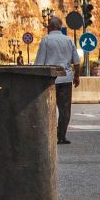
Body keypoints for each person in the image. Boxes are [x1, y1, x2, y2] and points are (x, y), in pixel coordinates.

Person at [34, 15, 81, 144]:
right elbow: (76, 62)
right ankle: (61, 136)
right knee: (65, 110)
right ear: (60, 27)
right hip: (65, 79)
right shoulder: (69, 40)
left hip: (50, 80)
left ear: (49, 27)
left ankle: (49, 135)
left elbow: (39, 63)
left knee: (49, 108)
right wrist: (76, 76)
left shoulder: (46, 40)